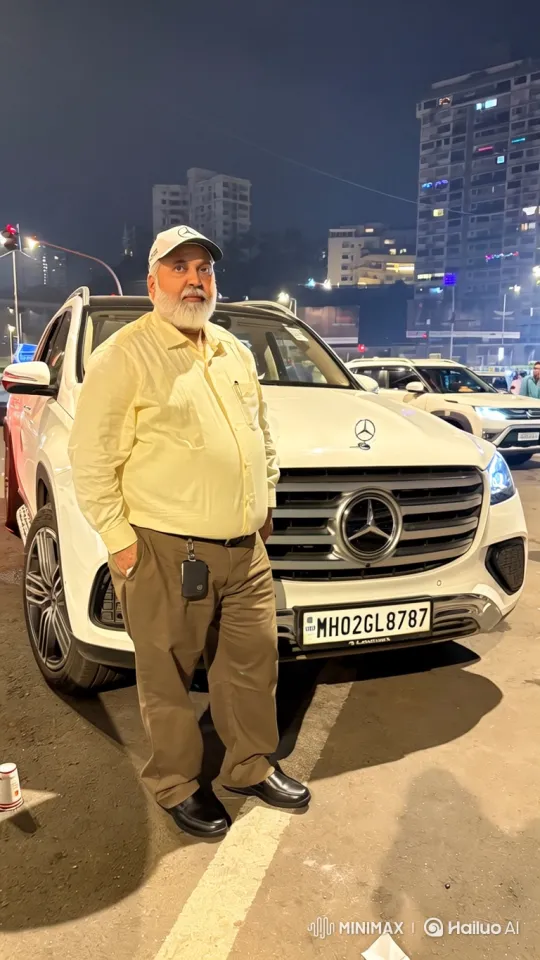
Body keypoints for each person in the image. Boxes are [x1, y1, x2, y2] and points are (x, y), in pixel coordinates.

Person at [68, 225, 310, 839]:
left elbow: (261, 433)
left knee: (253, 667)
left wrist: (266, 499)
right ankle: (176, 783)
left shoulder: (233, 349)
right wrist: (122, 545)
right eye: (178, 268)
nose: (194, 279)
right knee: (167, 678)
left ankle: (250, 765)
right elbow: (91, 460)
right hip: (165, 549)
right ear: (154, 283)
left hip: (243, 548)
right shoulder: (124, 355)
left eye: (202, 267)